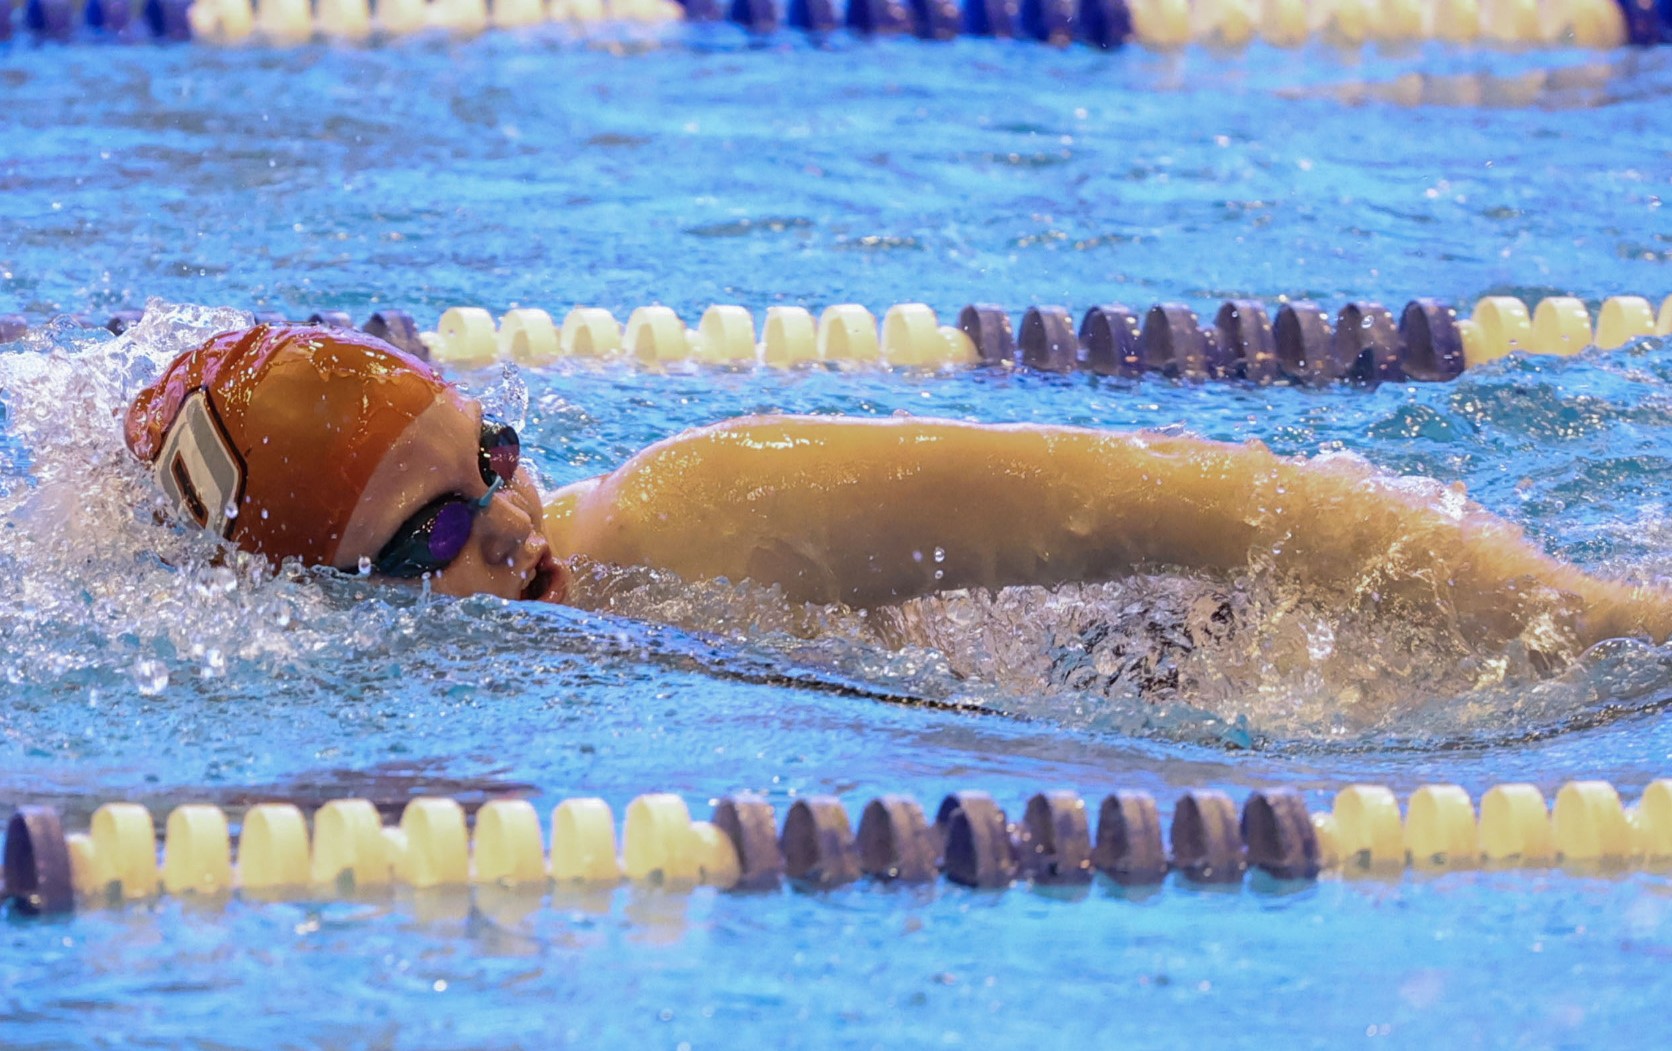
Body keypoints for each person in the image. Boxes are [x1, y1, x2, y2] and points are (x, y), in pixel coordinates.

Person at [123, 323, 1672, 659]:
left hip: (1300, 643)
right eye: (439, 534)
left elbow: (1194, 497)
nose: (516, 526)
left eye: (493, 458)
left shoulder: (706, 512)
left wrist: (1597, 618)